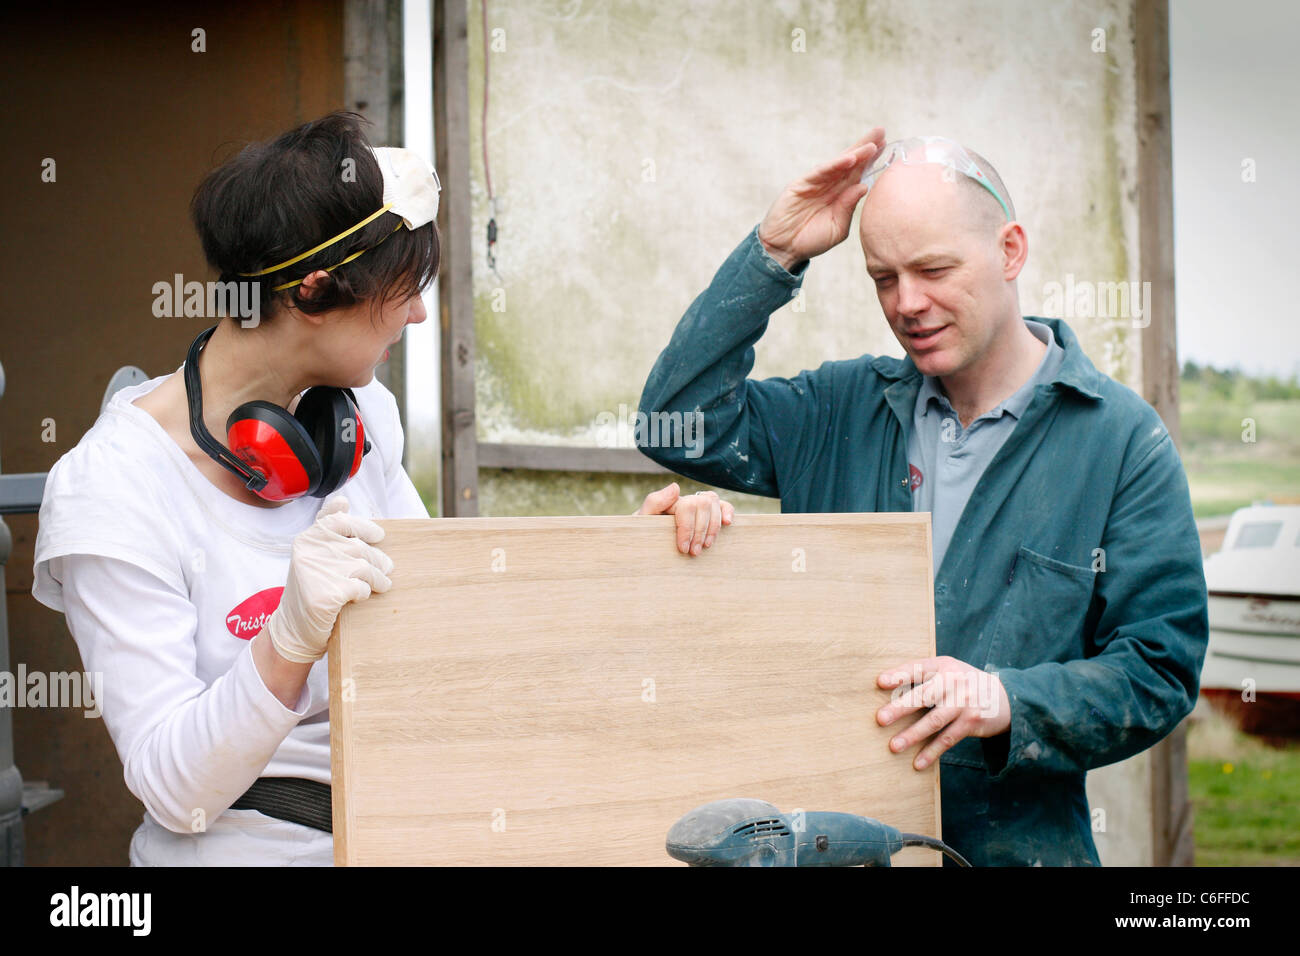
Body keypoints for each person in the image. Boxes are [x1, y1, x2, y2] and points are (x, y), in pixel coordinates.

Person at [31, 112, 732, 866]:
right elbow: (176, 791)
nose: (419, 312)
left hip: (406, 829)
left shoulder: (359, 418)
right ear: (313, 291)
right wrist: (287, 641)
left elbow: (450, 631)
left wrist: (616, 561)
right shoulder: (114, 488)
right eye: (404, 287)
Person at [637, 129, 1209, 866]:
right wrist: (772, 254)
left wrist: (1008, 701)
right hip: (833, 846)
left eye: (934, 269)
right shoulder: (836, 410)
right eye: (884, 278)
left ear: (1010, 250)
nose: (908, 303)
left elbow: (1158, 670)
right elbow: (674, 423)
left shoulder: (1121, 441)